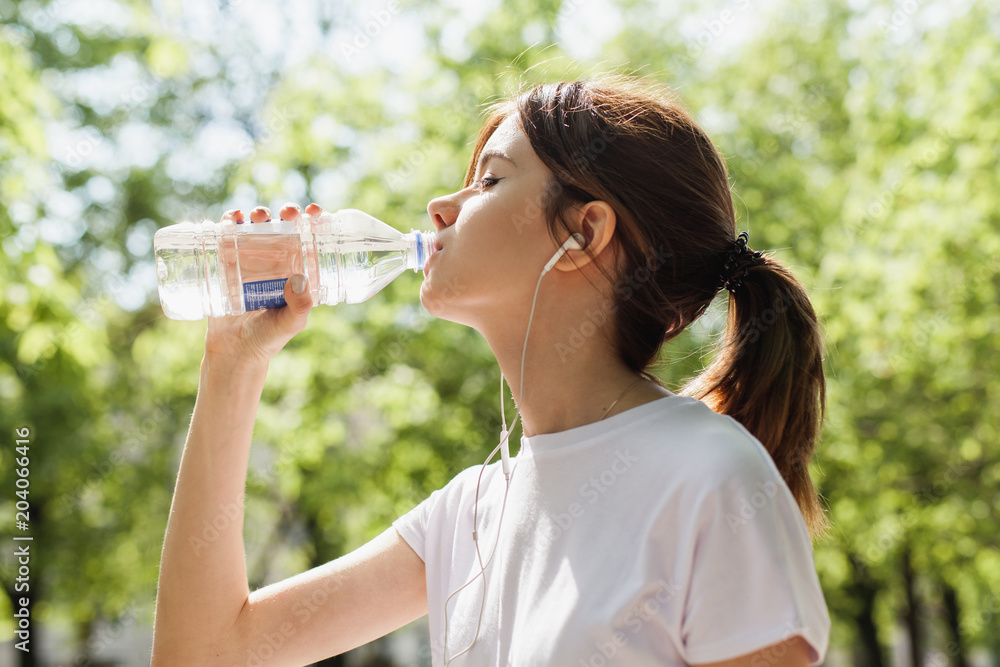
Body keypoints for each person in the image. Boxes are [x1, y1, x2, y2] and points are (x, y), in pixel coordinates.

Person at [152, 76, 831, 666]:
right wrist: (233, 365)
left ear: (583, 233)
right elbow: (206, 652)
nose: (440, 207)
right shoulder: (473, 512)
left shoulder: (709, 476)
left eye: (491, 179)